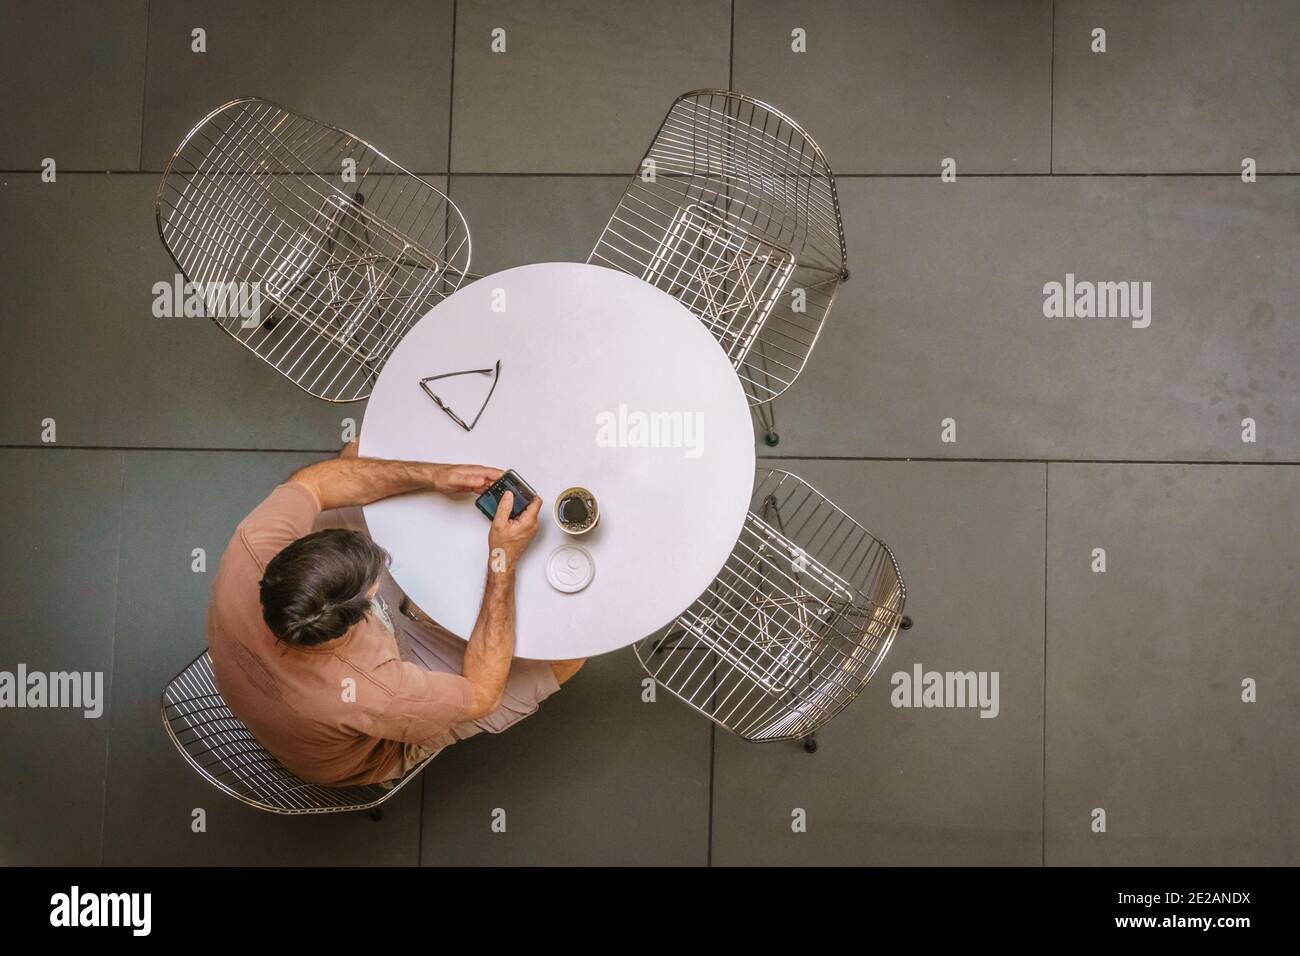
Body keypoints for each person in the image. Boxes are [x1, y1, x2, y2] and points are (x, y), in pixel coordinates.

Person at [206, 442, 584, 786]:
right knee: (569, 655)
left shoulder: (254, 545)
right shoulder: (373, 690)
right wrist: (502, 559)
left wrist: (431, 475)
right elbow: (482, 695)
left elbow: (313, 485)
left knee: (355, 452)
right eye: (377, 577)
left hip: (277, 696)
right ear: (363, 610)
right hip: (371, 746)